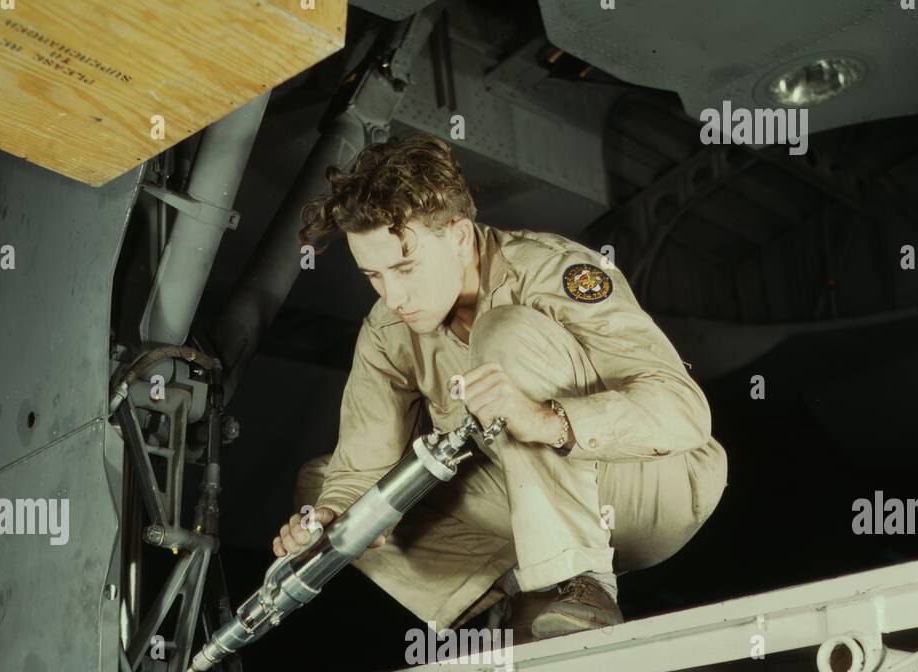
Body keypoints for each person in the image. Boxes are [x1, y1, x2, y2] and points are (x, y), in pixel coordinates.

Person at [273, 133, 727, 644]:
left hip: (650, 487)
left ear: (460, 237)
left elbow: (685, 411)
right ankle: (519, 591)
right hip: (531, 505)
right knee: (322, 486)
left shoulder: (551, 270)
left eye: (405, 267)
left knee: (504, 333)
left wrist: (548, 419)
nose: (393, 296)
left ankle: (576, 586)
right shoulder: (386, 330)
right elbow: (362, 465)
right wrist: (337, 520)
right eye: (374, 275)